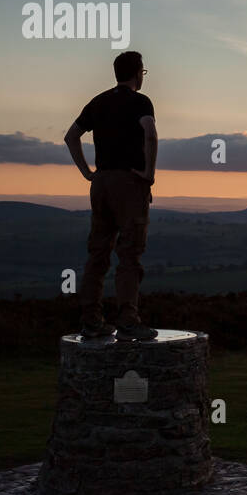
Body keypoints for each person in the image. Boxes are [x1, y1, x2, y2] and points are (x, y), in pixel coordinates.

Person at [64, 51, 159, 340]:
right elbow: (151, 135)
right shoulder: (140, 102)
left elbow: (71, 136)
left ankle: (91, 321)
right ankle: (128, 321)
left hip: (101, 183)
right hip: (129, 183)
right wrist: (149, 174)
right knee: (130, 254)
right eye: (143, 72)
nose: (143, 77)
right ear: (137, 73)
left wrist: (87, 172)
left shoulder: (98, 102)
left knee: (98, 254)